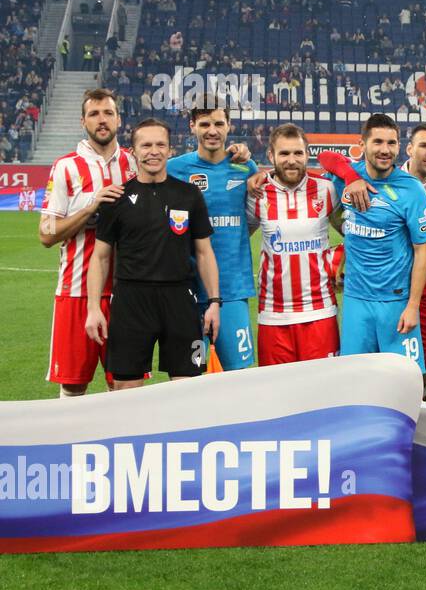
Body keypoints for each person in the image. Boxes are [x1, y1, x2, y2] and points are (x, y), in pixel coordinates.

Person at [84, 119, 219, 390]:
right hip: (131, 302)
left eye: (160, 145)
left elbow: (204, 252)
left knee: (189, 389)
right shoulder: (116, 198)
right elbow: (100, 258)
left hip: (181, 299)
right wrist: (93, 308)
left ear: (170, 150)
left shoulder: (189, 195)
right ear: (133, 151)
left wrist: (214, 302)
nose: (153, 151)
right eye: (146, 145)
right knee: (126, 390)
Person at [39, 88, 135, 396]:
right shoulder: (66, 167)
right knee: (73, 383)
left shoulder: (134, 166)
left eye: (108, 113)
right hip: (76, 292)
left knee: (123, 384)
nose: (101, 120)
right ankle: (69, 443)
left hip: (127, 293)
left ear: (119, 119)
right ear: (83, 121)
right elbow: (46, 234)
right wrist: (90, 208)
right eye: (94, 114)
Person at [325, 113, 426, 372]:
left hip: (395, 302)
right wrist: (351, 178)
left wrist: (413, 306)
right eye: (378, 142)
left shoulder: (412, 190)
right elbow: (326, 157)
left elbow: (422, 252)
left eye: (391, 143)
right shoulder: (346, 177)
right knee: (353, 379)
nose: (385, 150)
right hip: (355, 299)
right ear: (362, 146)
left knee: (406, 380)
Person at [168, 96, 257, 371]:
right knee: (189, 375)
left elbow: (252, 220)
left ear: (229, 126)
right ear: (192, 126)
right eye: (205, 123)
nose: (212, 130)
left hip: (232, 290)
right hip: (188, 291)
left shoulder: (245, 168)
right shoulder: (174, 169)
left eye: (219, 123)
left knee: (239, 376)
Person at [245, 124, 340, 366]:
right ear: (271, 156)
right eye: (284, 154)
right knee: (277, 396)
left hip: (320, 312)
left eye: (298, 153)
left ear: (307, 154)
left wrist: (339, 259)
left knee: (321, 391)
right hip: (273, 316)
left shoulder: (327, 190)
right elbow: (235, 239)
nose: (291, 160)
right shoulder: (258, 194)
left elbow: (356, 234)